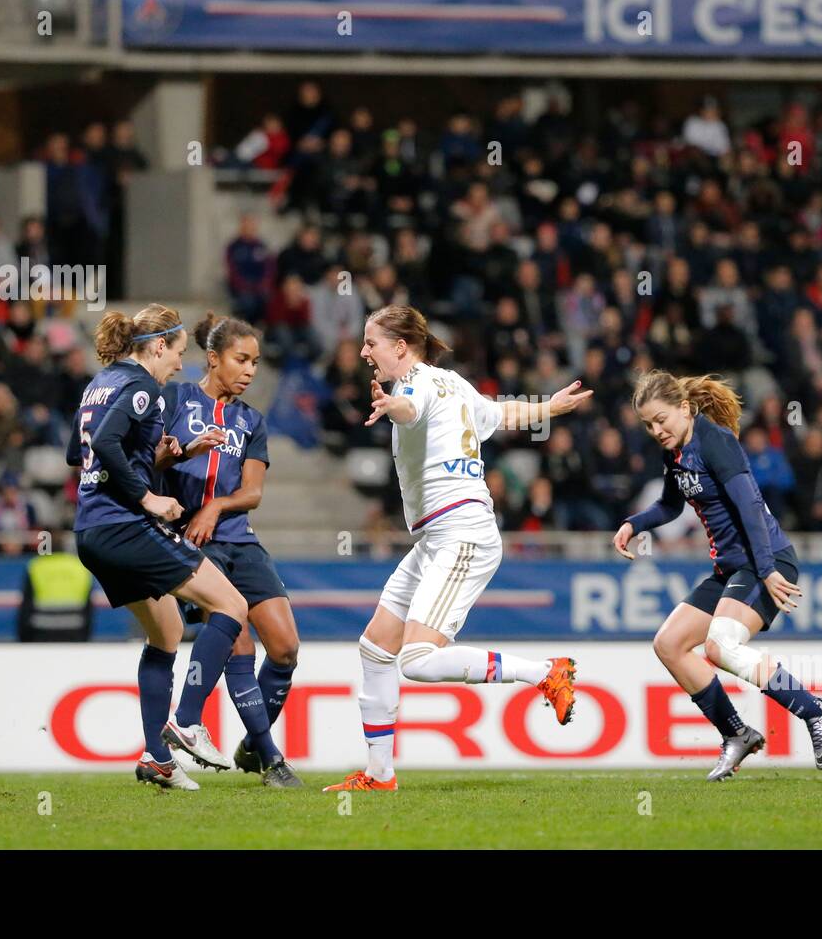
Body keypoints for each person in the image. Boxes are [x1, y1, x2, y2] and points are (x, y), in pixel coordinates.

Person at [323, 305, 592, 792]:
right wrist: (549, 409)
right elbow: (502, 412)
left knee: (418, 659)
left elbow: (410, 408)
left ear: (400, 348)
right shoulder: (455, 384)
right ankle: (380, 774)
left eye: (372, 342)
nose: (364, 351)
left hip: (461, 532)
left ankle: (544, 673)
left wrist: (392, 408)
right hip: (436, 537)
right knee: (375, 647)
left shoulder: (415, 385)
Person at [614, 370, 822, 782]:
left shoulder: (715, 441)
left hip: (764, 560)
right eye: (648, 424)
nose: (655, 430)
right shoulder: (676, 451)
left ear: (684, 408)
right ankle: (737, 733)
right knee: (669, 644)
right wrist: (635, 523)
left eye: (661, 419)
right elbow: (670, 506)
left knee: (720, 646)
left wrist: (768, 570)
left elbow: (751, 506)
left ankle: (816, 709)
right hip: (732, 569)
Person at [65, 303, 247, 791]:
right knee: (232, 605)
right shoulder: (143, 386)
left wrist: (165, 456)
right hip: (125, 525)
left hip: (90, 531)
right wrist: (147, 495)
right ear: (158, 345)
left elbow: (77, 453)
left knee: (166, 632)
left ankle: (156, 759)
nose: (180, 365)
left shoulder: (97, 384)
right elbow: (105, 444)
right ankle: (187, 720)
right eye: (179, 353)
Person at [159, 313, 302, 788]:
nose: (250, 370)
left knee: (284, 648)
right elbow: (148, 459)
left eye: (256, 362)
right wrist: (181, 454)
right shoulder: (175, 400)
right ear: (214, 358)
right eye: (241, 360)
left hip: (239, 540)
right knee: (237, 639)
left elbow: (253, 491)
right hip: (191, 544)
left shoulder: (251, 421)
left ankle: (250, 744)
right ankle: (271, 757)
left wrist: (217, 505)